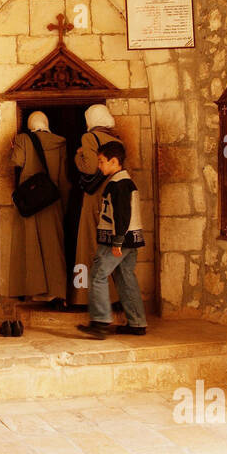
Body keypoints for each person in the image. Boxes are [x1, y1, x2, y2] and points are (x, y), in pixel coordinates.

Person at [78, 140, 148, 338]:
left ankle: (100, 322)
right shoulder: (123, 182)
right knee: (125, 277)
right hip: (129, 239)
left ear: (114, 161)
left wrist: (117, 242)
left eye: (101, 162)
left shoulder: (118, 184)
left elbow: (122, 215)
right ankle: (137, 323)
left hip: (117, 241)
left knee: (97, 275)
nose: (99, 166)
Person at [10, 111, 70, 305]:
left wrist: (14, 147)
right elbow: (64, 179)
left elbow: (17, 161)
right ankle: (57, 292)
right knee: (54, 247)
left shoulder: (23, 139)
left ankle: (36, 291)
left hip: (32, 200)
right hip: (52, 201)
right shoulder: (60, 142)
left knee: (32, 246)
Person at [71, 104, 121, 308]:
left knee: (87, 246)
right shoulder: (117, 140)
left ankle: (83, 298)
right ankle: (115, 296)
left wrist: (78, 155)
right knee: (110, 247)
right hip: (112, 196)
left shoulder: (89, 138)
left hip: (94, 198)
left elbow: (90, 167)